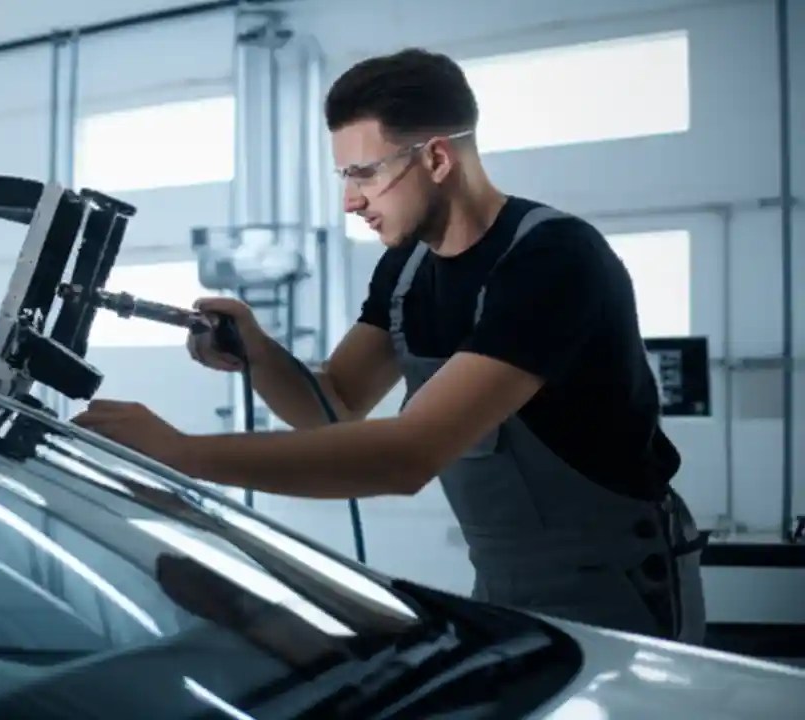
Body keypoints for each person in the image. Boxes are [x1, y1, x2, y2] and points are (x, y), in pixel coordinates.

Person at [72, 48, 707, 643]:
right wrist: (260, 351)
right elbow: (337, 403)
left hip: (620, 589)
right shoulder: (406, 270)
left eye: (363, 174)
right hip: (502, 581)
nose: (350, 201)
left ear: (436, 159)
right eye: (343, 175)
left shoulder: (551, 260)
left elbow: (408, 456)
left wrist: (182, 454)